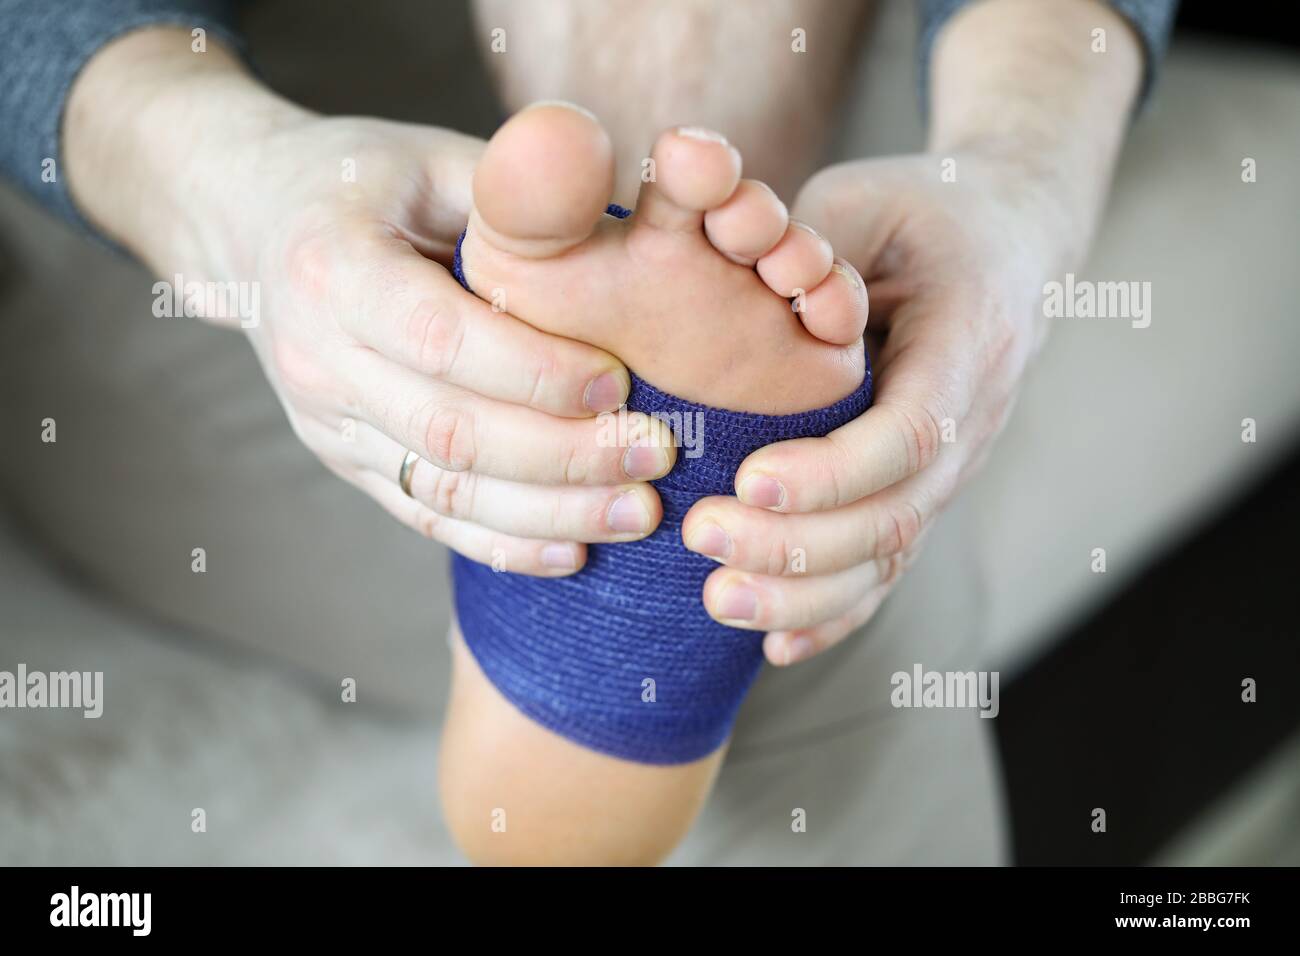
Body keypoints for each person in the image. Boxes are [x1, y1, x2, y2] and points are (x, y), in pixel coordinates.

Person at [0, 0, 1177, 864]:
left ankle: (636, 449)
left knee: (800, 536)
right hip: (208, 93)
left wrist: (1021, 171)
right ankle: (667, 435)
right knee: (793, 541)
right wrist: (230, 188)